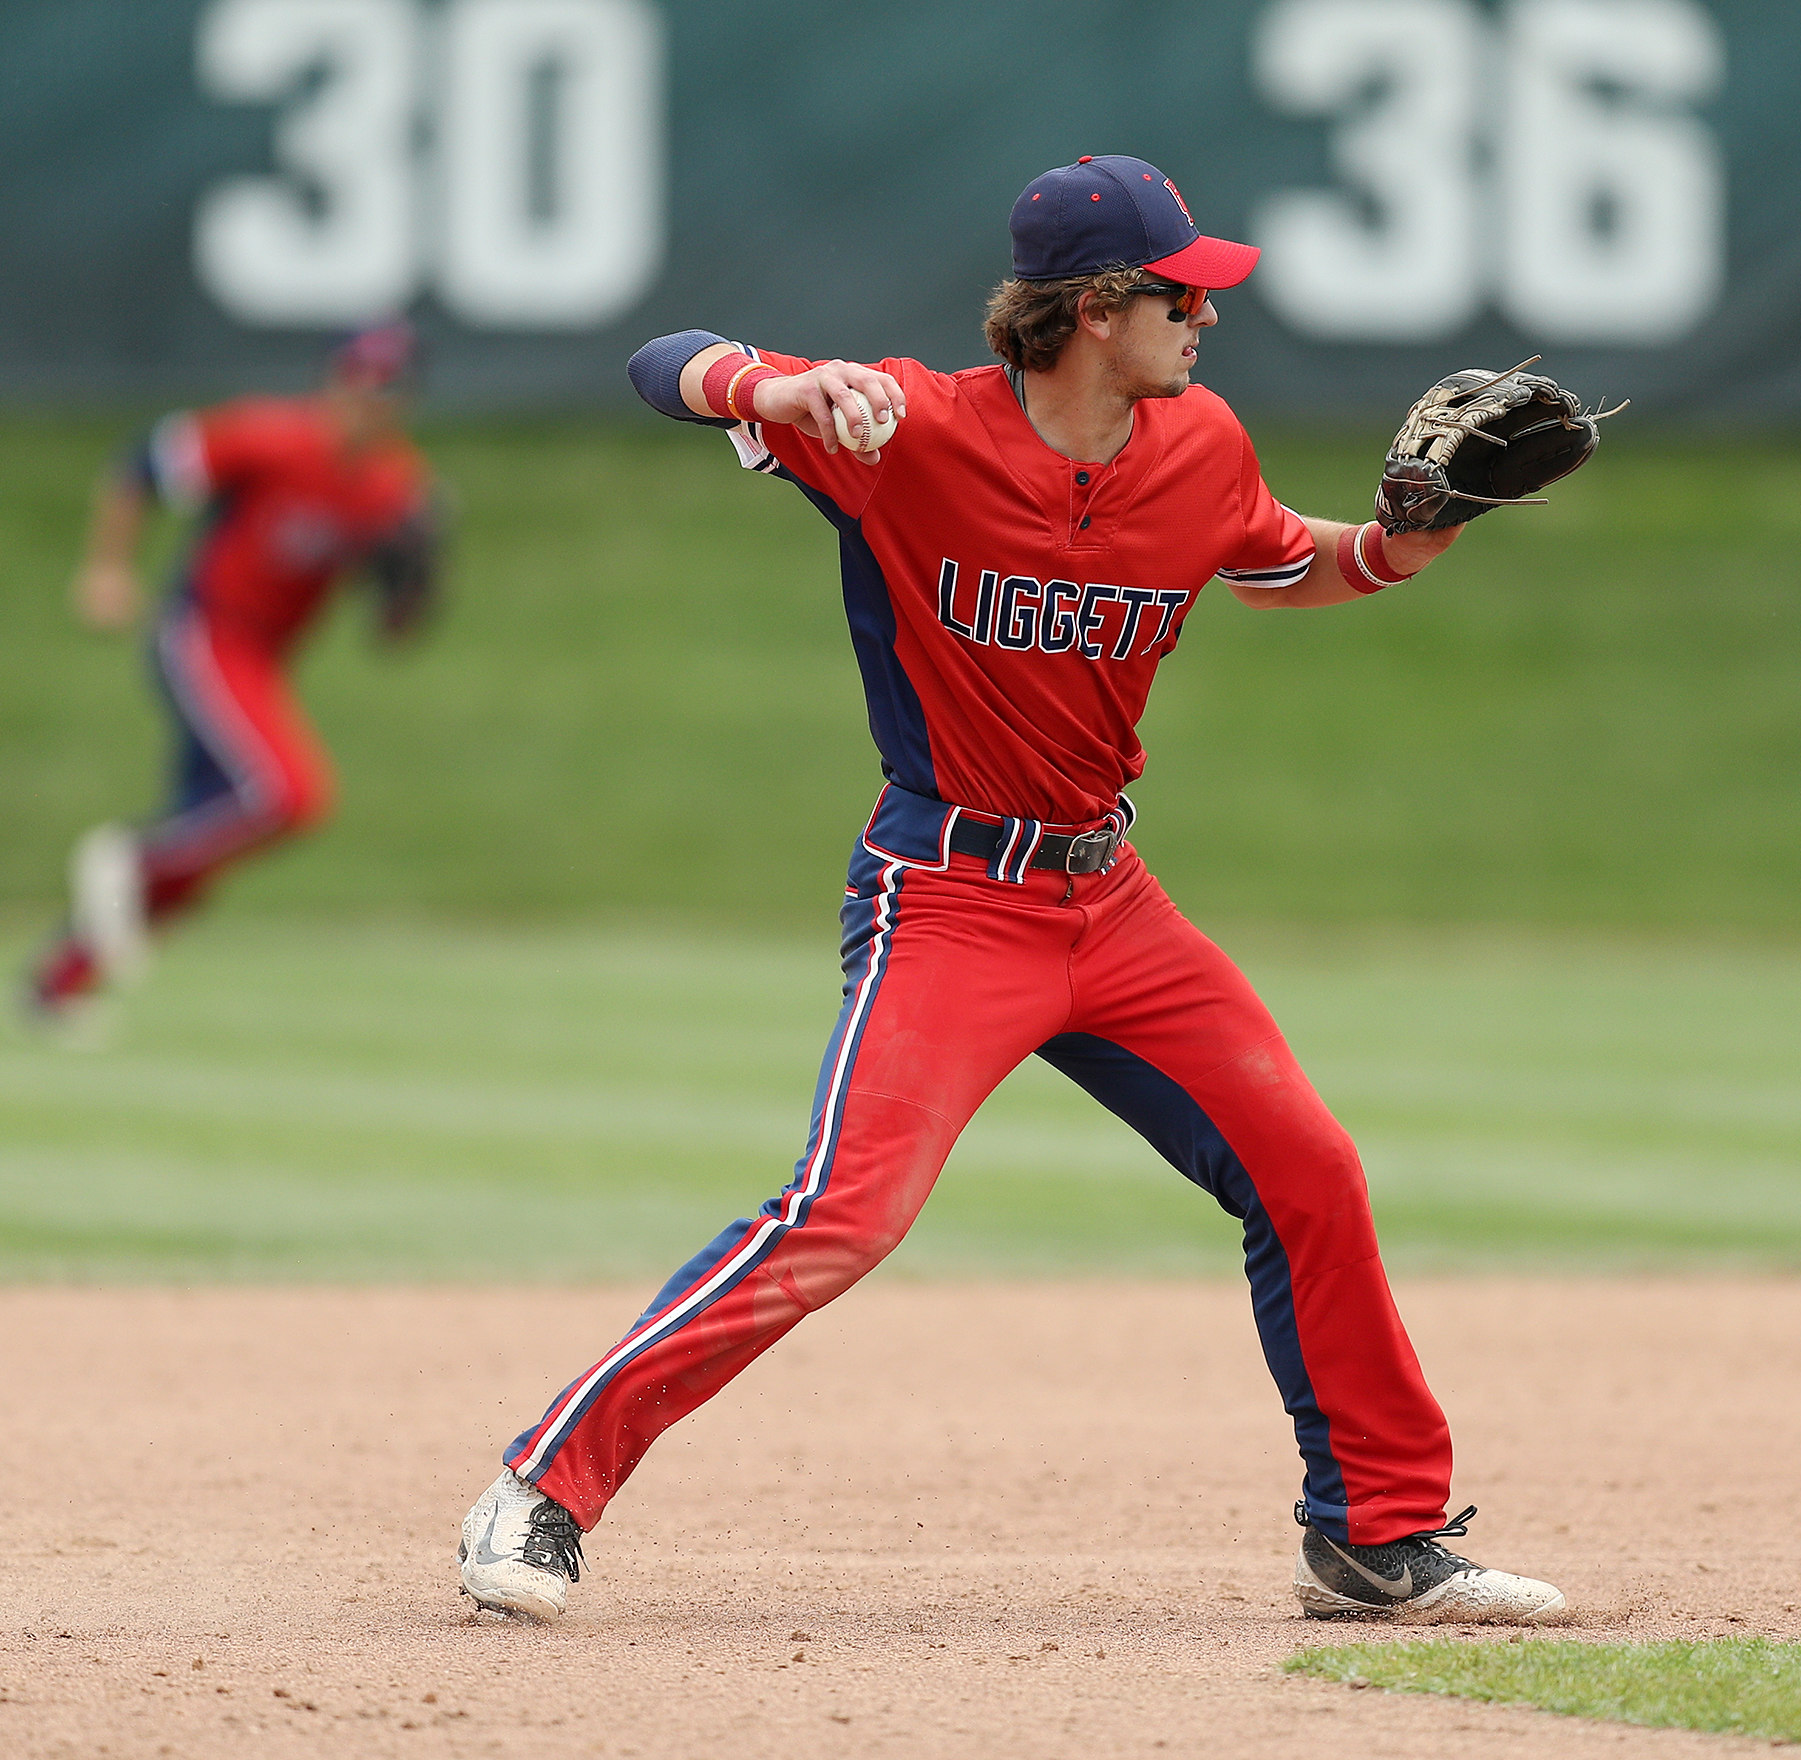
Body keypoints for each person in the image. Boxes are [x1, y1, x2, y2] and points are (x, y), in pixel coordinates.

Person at [456, 156, 1566, 1626]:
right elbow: (661, 365)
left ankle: (1377, 1535)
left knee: (1308, 1168)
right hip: (949, 895)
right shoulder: (902, 427)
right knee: (842, 1217)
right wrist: (769, 393)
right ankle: (540, 1489)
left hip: (1111, 903)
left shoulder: (1201, 444)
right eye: (1184, 294)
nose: (1207, 319)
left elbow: (1287, 562)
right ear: (1097, 309)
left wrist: (1407, 543)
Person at [24, 323, 441, 1026]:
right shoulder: (271, 436)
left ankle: (60, 988)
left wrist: (409, 594)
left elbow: (393, 631)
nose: (369, 405)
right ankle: (132, 856)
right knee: (287, 793)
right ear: (333, 380)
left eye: (387, 393)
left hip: (266, 660)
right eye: (359, 386)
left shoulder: (397, 488)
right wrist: (107, 568)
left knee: (207, 843)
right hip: (205, 634)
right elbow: (141, 466)